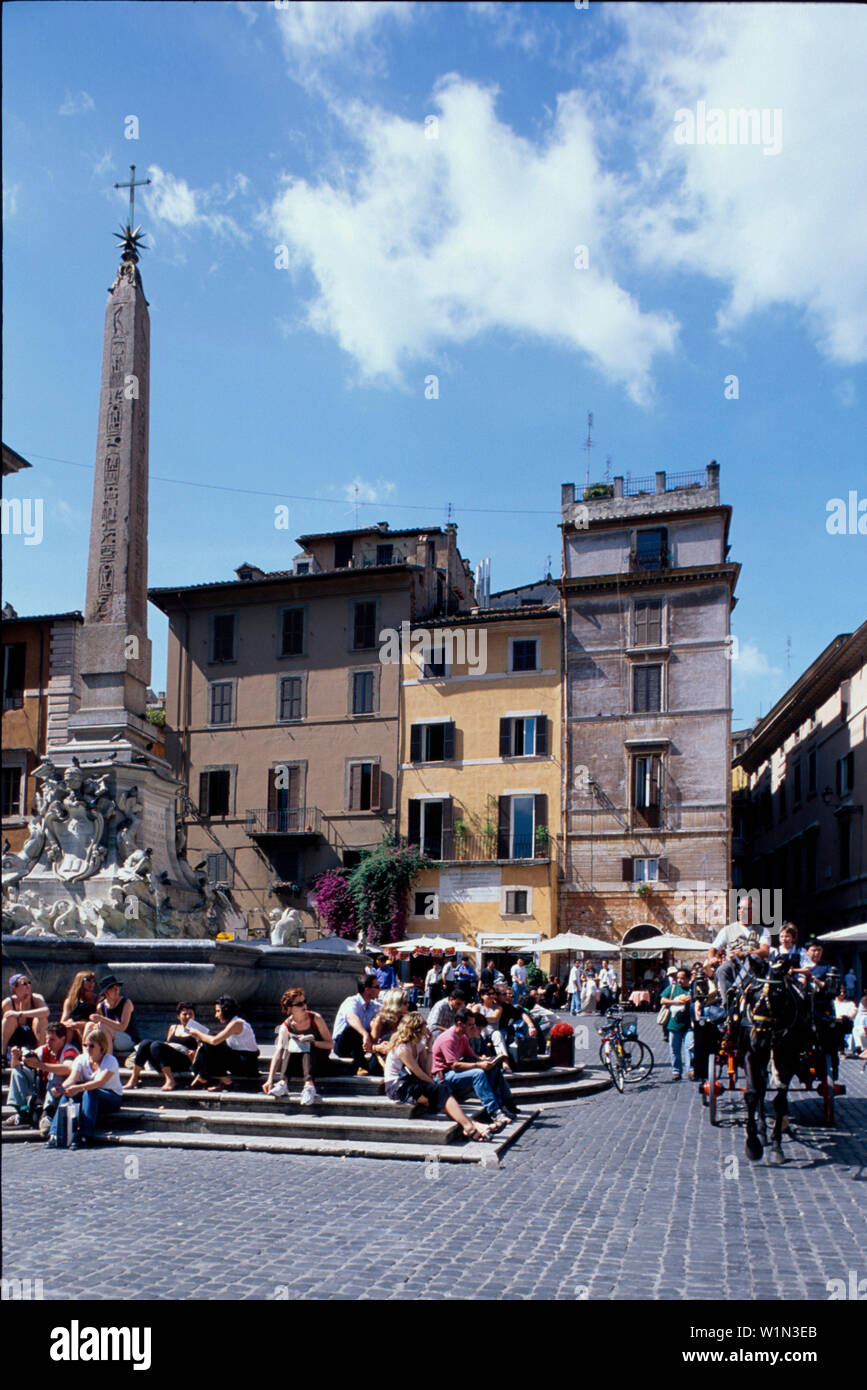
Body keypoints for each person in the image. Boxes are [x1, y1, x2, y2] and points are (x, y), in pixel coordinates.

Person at [382, 1012, 491, 1142]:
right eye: (424, 1026)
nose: (427, 1029)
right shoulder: (402, 1048)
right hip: (397, 1086)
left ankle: (471, 1125)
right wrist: (434, 1085)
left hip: (411, 1082)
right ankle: (470, 1125)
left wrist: (429, 1047)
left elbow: (426, 1071)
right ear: (416, 1028)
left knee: (441, 1096)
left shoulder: (419, 1045)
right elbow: (418, 1073)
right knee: (441, 1092)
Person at [432, 1010, 516, 1128]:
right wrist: (478, 1065)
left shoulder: (462, 1037)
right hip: (443, 1076)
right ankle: (494, 1112)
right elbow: (454, 1066)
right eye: (471, 1024)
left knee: (493, 1069)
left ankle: (506, 1102)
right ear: (461, 1024)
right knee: (478, 1073)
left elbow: (472, 1056)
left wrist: (485, 1060)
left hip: (453, 1072)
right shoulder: (448, 1039)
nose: (473, 1027)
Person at [49, 1029, 123, 1149]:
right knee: (68, 1094)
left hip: (111, 1097)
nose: (88, 1048)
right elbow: (72, 1078)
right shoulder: (81, 1059)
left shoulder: (110, 1061)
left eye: (92, 1045)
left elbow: (99, 1082)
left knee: (90, 1091)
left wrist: (78, 1088)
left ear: (101, 1046)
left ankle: (85, 1134)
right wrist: (61, 1088)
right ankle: (55, 1133)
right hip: (89, 1093)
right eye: (85, 1045)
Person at [4, 1022, 79, 1133]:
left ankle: (47, 1114)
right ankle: (22, 1112)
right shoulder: (44, 1049)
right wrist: (16, 1058)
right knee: (17, 1071)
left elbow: (67, 1068)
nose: (48, 1043)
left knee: (54, 1073)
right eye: (47, 1039)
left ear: (63, 1039)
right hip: (43, 1088)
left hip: (62, 1091)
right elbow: (20, 1064)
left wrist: (40, 1065)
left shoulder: (70, 1051)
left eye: (52, 1040)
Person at [263, 988, 333, 1103]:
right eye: (299, 1004)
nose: (304, 1005)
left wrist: (312, 1042)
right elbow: (279, 1051)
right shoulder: (286, 1026)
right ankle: (283, 1083)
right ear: (290, 1008)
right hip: (300, 1066)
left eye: (305, 1001)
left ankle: (309, 1087)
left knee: (306, 1044)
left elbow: (330, 1044)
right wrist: (270, 1079)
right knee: (291, 1044)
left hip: (319, 1063)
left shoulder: (315, 1018)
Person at [124, 1003, 207, 1091]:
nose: (188, 1016)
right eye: (184, 1014)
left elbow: (203, 1048)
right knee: (145, 1043)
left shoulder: (199, 1030)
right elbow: (167, 1044)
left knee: (156, 1045)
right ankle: (134, 1078)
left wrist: (195, 1051)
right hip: (167, 1059)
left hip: (184, 1060)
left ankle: (170, 1079)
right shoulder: (173, 1028)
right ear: (178, 1016)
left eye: (190, 1014)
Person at [186, 996, 260, 1091]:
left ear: (226, 1010)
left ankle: (221, 1080)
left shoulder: (237, 1023)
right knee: (207, 1045)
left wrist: (197, 1032)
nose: (215, 1015)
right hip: (240, 1060)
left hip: (247, 1065)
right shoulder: (232, 1023)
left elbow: (214, 1041)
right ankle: (202, 1075)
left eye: (218, 1011)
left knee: (210, 1043)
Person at [330, 975, 381, 1074]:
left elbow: (390, 1011)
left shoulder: (374, 1005)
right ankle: (362, 1065)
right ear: (367, 990)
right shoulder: (351, 1002)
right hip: (343, 1045)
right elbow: (351, 1017)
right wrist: (365, 1034)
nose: (380, 989)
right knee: (352, 1030)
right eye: (377, 987)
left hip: (361, 1046)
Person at [2, 973, 49, 1059]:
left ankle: (40, 1055)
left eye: (29, 982)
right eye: (24, 983)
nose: (28, 985)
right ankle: (3, 1055)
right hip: (16, 1036)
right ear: (14, 988)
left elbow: (46, 1011)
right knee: (8, 1018)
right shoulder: (8, 1003)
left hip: (33, 1035)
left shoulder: (36, 998)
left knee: (41, 1019)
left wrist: (20, 1013)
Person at [93, 975, 140, 1057]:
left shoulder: (126, 1003)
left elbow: (122, 1027)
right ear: (106, 992)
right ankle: (87, 1058)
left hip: (128, 1040)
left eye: (117, 987)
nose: (116, 990)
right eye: (112, 988)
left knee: (102, 1026)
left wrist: (101, 1019)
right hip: (109, 1038)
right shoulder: (101, 1006)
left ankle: (109, 1059)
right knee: (89, 1026)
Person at [659, 968, 691, 1080]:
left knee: (690, 1047)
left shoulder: (692, 989)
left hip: (689, 1025)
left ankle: (691, 1070)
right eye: (678, 978)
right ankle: (676, 1071)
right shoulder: (672, 988)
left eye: (682, 978)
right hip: (674, 1024)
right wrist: (676, 1002)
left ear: (688, 978)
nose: (679, 980)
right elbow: (662, 1000)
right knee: (674, 1049)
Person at [368, 987, 410, 1070]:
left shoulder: (406, 1019)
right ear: (396, 1004)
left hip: (399, 1057)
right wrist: (378, 1047)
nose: (408, 1005)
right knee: (388, 1038)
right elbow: (370, 1046)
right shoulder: (380, 1020)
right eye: (405, 1003)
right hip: (382, 1058)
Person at [60, 970, 101, 1045]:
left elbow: (98, 1020)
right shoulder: (70, 1001)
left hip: (90, 1028)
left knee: (83, 1027)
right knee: (69, 1023)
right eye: (88, 980)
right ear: (80, 982)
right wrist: (71, 1023)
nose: (92, 983)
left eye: (93, 981)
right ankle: (64, 1051)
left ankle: (85, 1050)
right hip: (73, 1030)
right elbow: (63, 1021)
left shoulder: (98, 1000)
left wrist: (80, 1024)